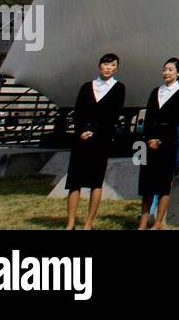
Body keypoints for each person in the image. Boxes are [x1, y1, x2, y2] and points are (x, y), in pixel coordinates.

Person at [64, 52, 126, 230]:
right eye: (106, 64)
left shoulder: (119, 88)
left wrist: (96, 133)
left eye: (112, 65)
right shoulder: (86, 87)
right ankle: (70, 222)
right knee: (74, 181)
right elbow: (78, 111)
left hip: (101, 139)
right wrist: (81, 132)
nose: (108, 68)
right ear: (99, 66)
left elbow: (113, 115)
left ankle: (89, 222)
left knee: (95, 181)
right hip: (81, 139)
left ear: (116, 68)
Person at [137, 57, 179, 230]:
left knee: (163, 182)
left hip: (167, 141)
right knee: (147, 184)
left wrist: (160, 140)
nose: (167, 72)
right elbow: (149, 116)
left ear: (178, 73)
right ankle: (143, 223)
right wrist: (150, 138)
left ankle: (158, 222)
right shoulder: (155, 91)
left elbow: (175, 117)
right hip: (149, 140)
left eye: (171, 70)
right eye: (165, 69)